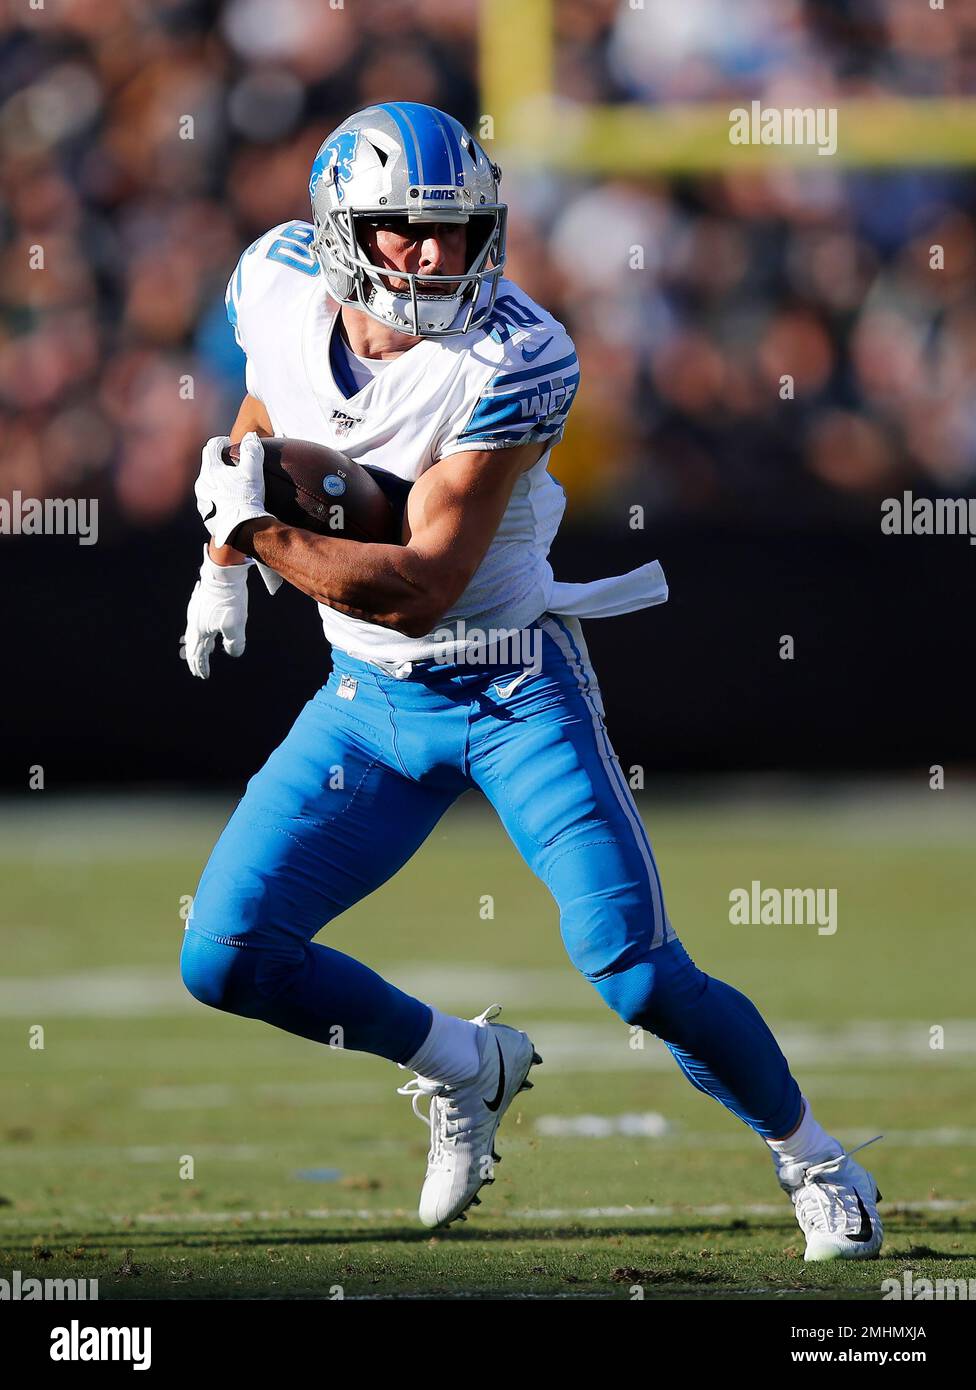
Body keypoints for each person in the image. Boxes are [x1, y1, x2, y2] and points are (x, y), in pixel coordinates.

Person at [180, 102, 882, 1255]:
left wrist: (250, 535)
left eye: (457, 230)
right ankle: (462, 1062)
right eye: (406, 229)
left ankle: (813, 1156)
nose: (436, 255)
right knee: (223, 956)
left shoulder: (515, 352)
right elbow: (265, 416)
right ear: (341, 229)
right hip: (363, 704)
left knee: (637, 975)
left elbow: (423, 583)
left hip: (510, 687)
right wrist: (221, 555)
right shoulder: (274, 281)